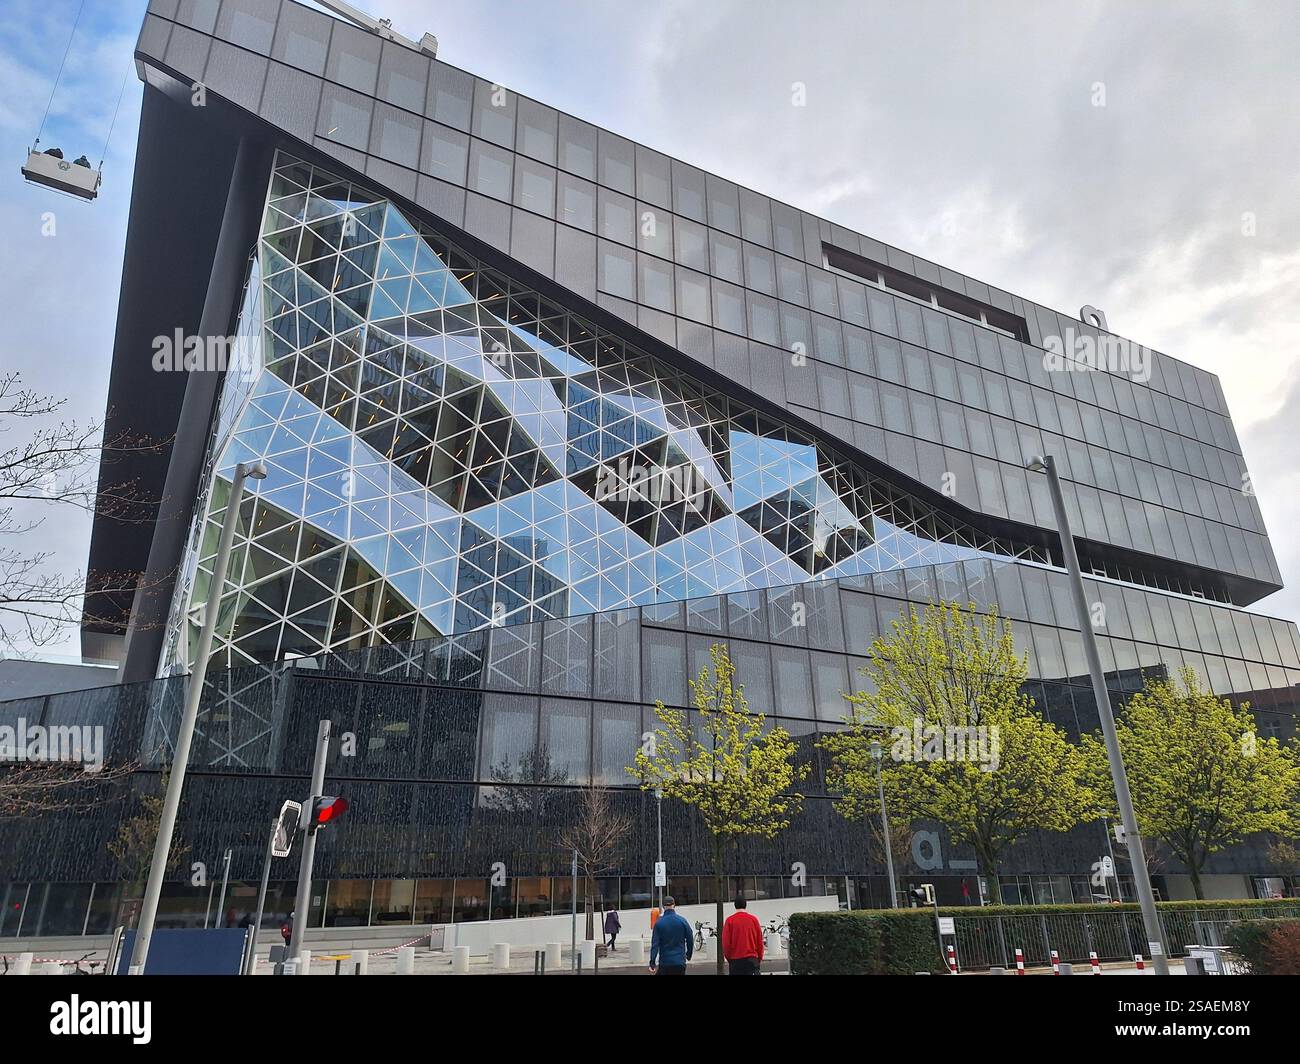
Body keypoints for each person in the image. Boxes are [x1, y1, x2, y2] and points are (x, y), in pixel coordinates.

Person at [648, 896, 692, 975]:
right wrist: (688, 954)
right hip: (679, 962)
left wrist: (652, 963)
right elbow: (690, 938)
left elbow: (655, 945)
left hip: (665, 962)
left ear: (663, 906)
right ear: (674, 905)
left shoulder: (659, 923)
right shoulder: (682, 921)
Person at [721, 895, 765, 975]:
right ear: (745, 905)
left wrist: (729, 958)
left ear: (735, 905)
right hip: (752, 959)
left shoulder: (729, 921)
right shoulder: (753, 920)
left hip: (736, 961)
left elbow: (726, 944)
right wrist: (758, 958)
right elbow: (759, 941)